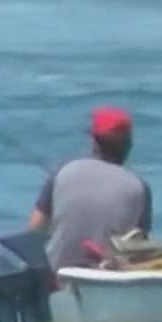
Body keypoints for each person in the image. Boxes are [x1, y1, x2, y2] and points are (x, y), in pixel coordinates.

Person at [26, 107, 153, 269]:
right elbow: (139, 248)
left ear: (94, 142)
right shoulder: (140, 187)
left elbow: (34, 231)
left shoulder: (64, 171)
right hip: (104, 280)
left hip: (55, 278)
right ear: (128, 146)